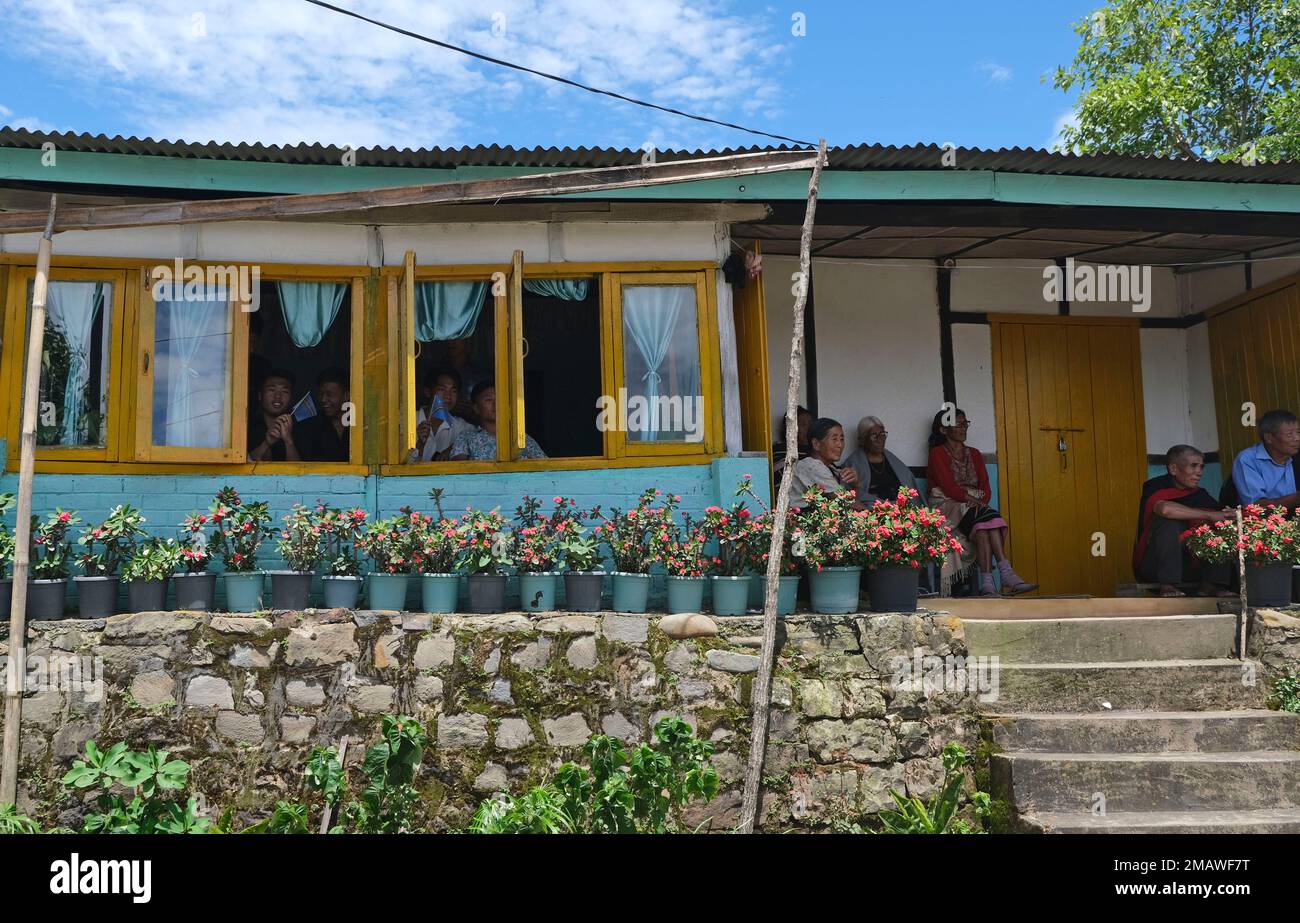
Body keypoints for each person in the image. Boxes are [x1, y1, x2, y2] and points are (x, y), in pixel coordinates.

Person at [926, 408, 1035, 596]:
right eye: (959, 424)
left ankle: (988, 584)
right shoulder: (937, 454)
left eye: (965, 423)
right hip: (948, 505)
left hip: (972, 505)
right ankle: (1006, 573)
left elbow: (985, 486)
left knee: (985, 528)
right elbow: (949, 488)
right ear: (944, 430)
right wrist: (973, 500)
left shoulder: (974, 453)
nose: (964, 428)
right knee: (990, 519)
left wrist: (980, 501)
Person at [1133, 445, 1234, 598]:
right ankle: (1168, 585)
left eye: (1201, 467)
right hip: (1155, 567)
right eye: (1193, 466)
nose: (1199, 472)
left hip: (1191, 568)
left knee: (1221, 526)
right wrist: (1210, 516)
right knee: (1170, 523)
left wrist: (1228, 515)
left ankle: (1212, 584)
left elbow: (1219, 515)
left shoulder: (1200, 494)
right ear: (1173, 469)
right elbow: (1165, 509)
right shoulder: (1155, 487)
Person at [451, 380, 546, 461]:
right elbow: (458, 468)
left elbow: (545, 466)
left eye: (500, 400)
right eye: (488, 400)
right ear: (476, 408)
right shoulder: (467, 437)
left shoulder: (521, 438)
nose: (496, 404)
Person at [842, 415, 922, 505]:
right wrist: (883, 505)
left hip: (899, 509)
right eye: (874, 436)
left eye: (882, 435)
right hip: (872, 511)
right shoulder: (854, 463)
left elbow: (909, 487)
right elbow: (853, 495)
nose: (879, 440)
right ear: (862, 439)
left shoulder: (893, 461)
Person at [1230, 408, 1300, 508]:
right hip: (1262, 521)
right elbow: (1255, 506)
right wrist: (1296, 498)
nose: (1297, 438)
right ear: (1269, 438)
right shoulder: (1247, 459)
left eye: (1298, 432)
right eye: (1289, 434)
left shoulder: (1296, 455)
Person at [788, 418, 863, 509]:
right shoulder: (811, 466)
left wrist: (856, 484)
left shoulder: (832, 468)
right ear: (816, 444)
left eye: (842, 439)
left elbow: (852, 502)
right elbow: (850, 504)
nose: (840, 445)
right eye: (834, 439)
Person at [409, 367, 473, 462]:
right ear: (428, 392)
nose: (448, 396)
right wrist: (419, 446)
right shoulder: (409, 421)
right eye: (442, 389)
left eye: (453, 391)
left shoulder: (459, 426)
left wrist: (453, 448)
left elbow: (480, 435)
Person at [298, 368, 350, 462]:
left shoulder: (359, 424)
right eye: (320, 394)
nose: (323, 399)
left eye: (329, 395)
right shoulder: (311, 426)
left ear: (346, 396)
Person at [248, 369, 300, 462]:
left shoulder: (301, 429)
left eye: (284, 391)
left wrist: (288, 441)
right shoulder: (247, 427)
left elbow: (301, 471)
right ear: (260, 396)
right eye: (272, 390)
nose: (278, 396)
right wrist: (267, 443)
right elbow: (245, 465)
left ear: (291, 399)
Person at [773, 406, 813, 475]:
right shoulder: (781, 449)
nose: (809, 428)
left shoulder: (815, 450)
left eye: (811, 424)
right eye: (803, 425)